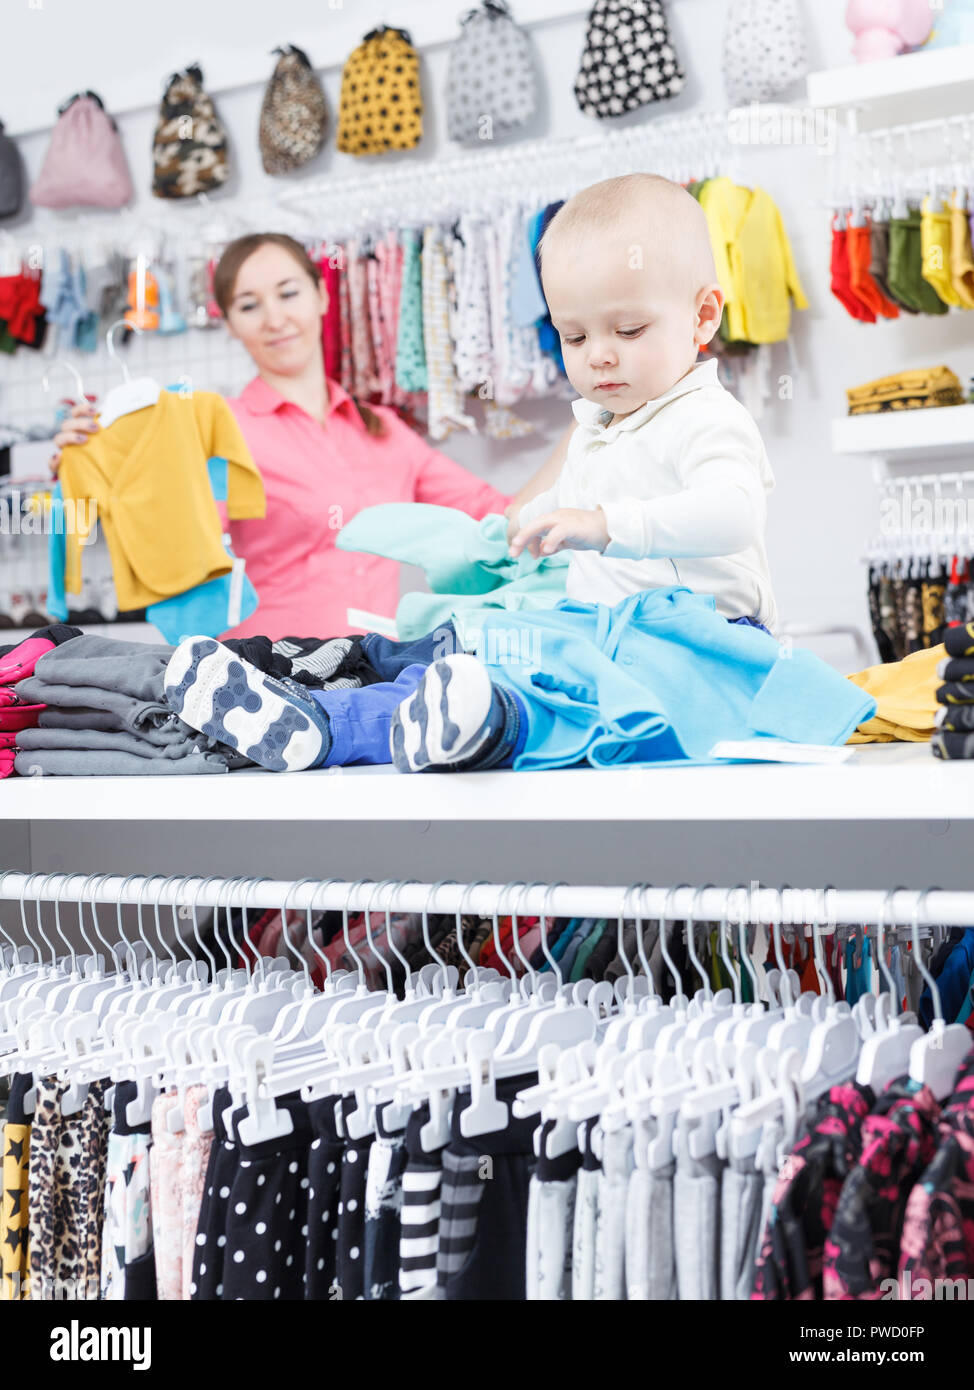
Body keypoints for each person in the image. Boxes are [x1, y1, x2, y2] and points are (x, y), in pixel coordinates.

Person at [163, 174, 797, 775]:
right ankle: (323, 718)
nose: (599, 353)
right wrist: (515, 538)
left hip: (699, 638)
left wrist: (595, 524)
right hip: (608, 631)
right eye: (572, 339)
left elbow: (733, 511)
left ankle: (441, 719)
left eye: (627, 329)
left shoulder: (704, 417)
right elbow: (532, 515)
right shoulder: (217, 427)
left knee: (510, 683)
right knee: (463, 650)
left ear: (704, 317)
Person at [50, 233, 571, 639]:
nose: (276, 318)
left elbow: (503, 517)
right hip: (258, 687)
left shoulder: (385, 432)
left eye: (288, 292)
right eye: (249, 304)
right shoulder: (212, 428)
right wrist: (90, 466)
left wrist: (588, 424)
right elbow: (165, 540)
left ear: (322, 295)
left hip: (368, 679)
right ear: (230, 323)